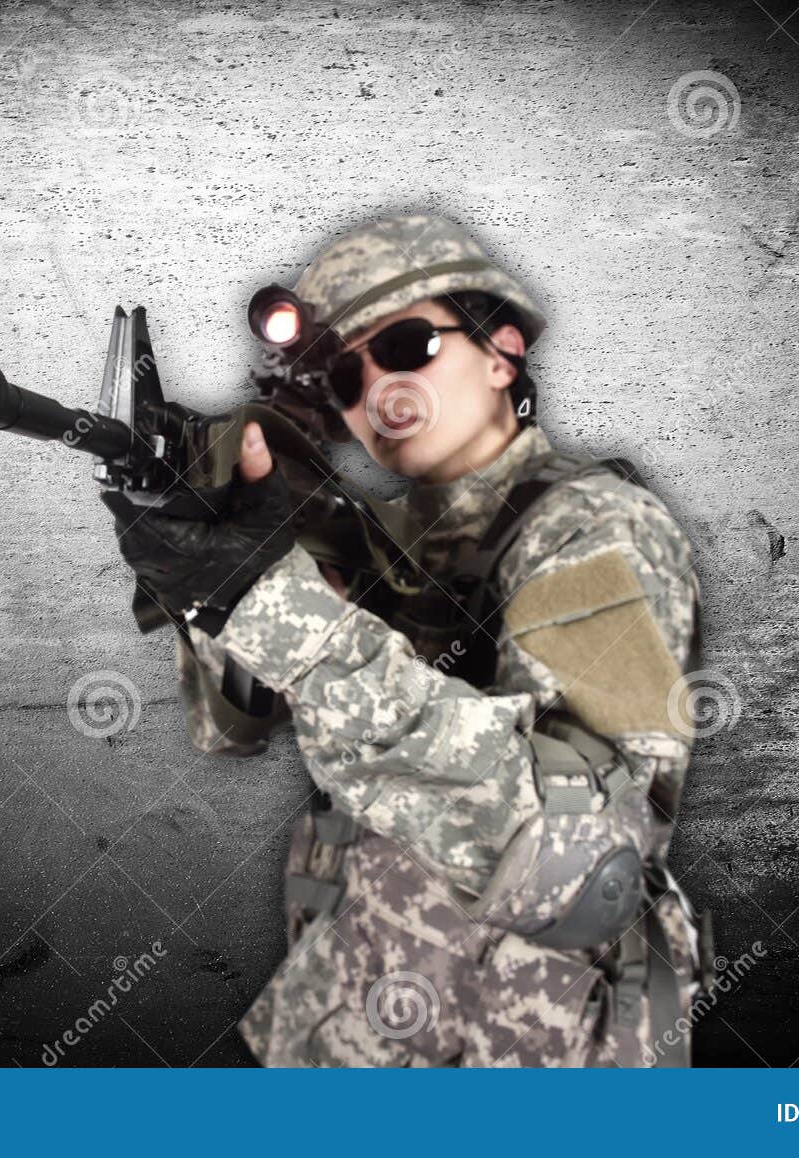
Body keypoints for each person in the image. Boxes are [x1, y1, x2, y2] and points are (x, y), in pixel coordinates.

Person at [102, 215, 711, 1067]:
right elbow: (230, 728)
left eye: (409, 345)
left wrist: (274, 605)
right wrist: (214, 577)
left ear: (501, 353)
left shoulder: (594, 530)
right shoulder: (383, 541)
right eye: (344, 377)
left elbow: (586, 864)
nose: (375, 390)